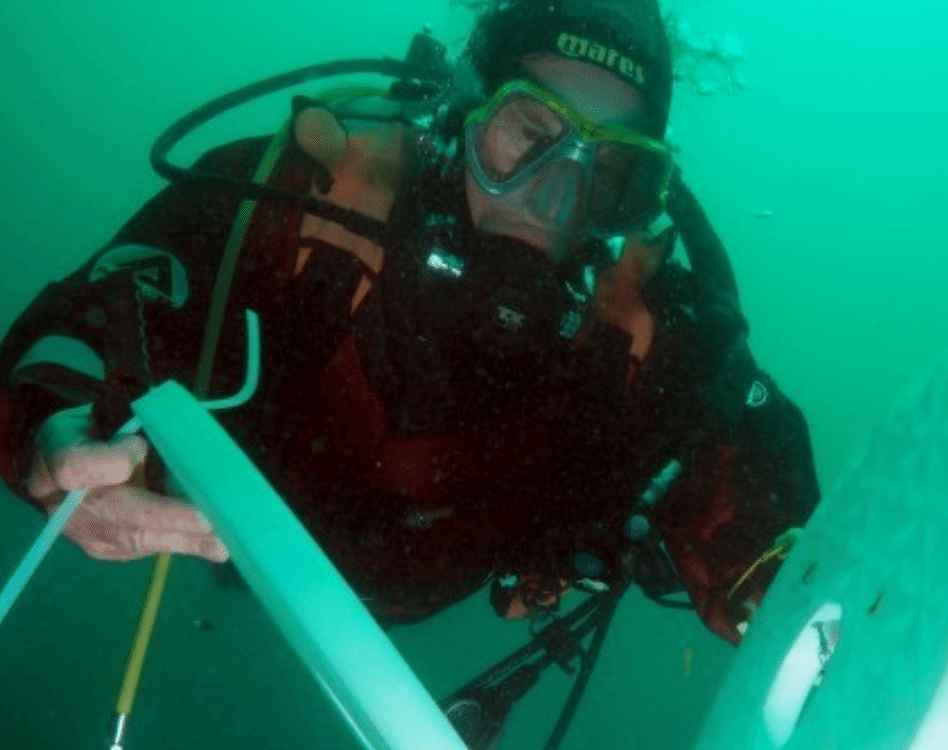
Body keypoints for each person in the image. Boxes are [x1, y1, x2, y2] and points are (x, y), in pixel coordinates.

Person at [0, 0, 820, 645]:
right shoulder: (301, 200)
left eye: (610, 175)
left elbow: (755, 489)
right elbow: (88, 316)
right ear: (462, 116)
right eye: (526, 135)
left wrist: (775, 578)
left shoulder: (639, 333)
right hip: (229, 555)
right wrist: (46, 429)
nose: (553, 203)